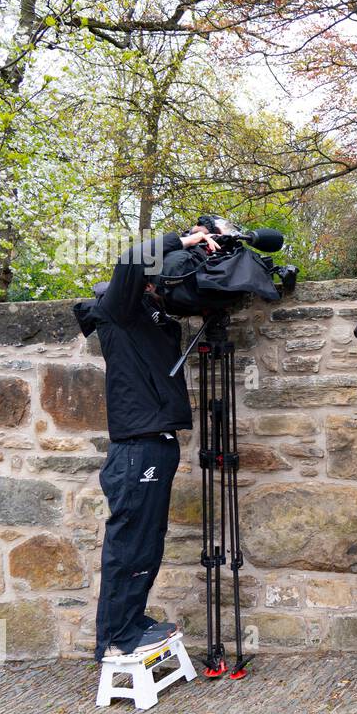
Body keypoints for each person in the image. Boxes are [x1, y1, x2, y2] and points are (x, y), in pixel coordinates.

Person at [85, 222, 220, 661]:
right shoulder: (117, 308)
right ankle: (117, 637)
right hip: (136, 445)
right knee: (130, 542)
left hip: (157, 441)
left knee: (149, 539)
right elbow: (130, 261)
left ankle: (133, 620)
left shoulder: (149, 317)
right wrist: (183, 242)